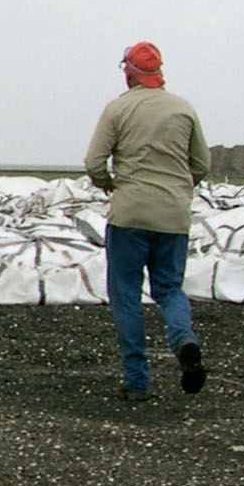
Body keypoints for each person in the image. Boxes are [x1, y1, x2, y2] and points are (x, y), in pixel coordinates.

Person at [84, 41, 209, 403]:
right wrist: (178, 187)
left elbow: (94, 162)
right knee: (170, 289)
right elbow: (202, 164)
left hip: (129, 214)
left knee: (125, 295)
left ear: (129, 72)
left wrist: (111, 184)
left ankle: (137, 380)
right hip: (173, 215)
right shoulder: (183, 109)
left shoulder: (118, 109)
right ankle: (184, 340)